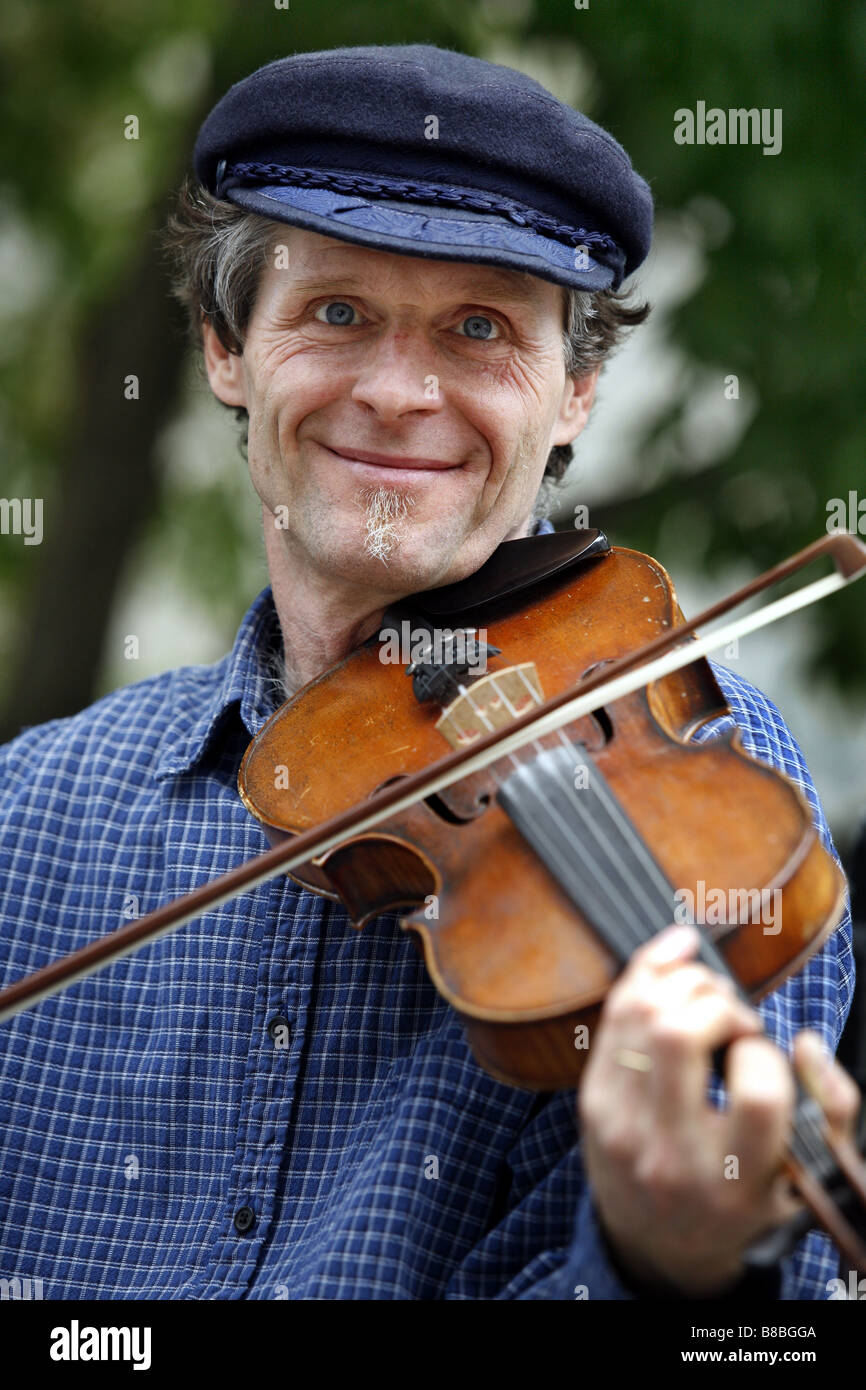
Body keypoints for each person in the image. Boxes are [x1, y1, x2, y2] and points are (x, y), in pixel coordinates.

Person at [0, 43, 857, 1301]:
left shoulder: (713, 790)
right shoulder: (28, 823)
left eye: (478, 329)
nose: (399, 393)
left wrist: (668, 1262)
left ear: (573, 393)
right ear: (227, 350)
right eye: (336, 311)